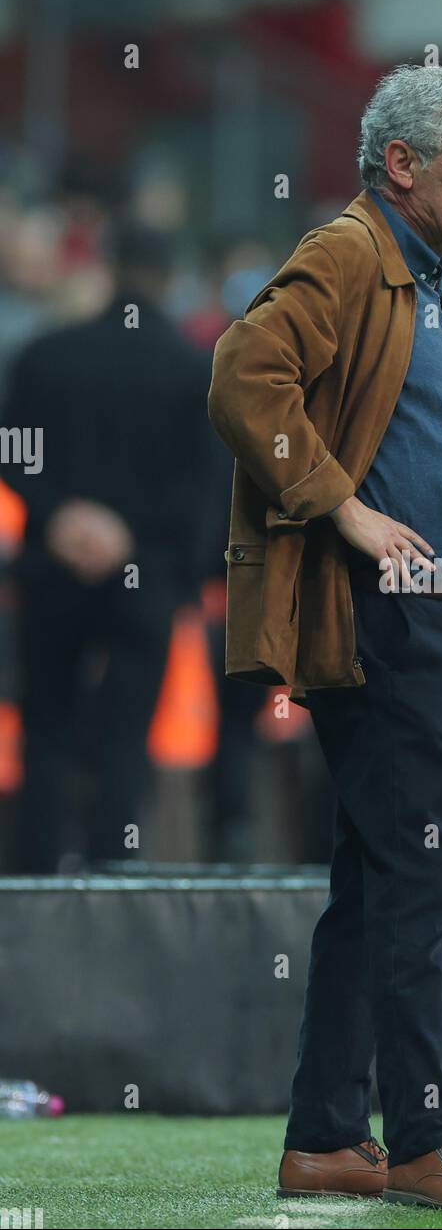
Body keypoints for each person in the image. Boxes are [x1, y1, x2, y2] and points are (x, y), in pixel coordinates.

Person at [208, 64, 442, 1209]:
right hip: (394, 622)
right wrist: (341, 503)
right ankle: (423, 1138)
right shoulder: (354, 251)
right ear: (401, 165)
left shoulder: (419, 270)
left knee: (375, 880)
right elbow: (243, 371)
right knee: (421, 882)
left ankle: (325, 1136)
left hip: (429, 617)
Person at [3, 220, 215, 873]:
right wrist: (136, 539)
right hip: (143, 578)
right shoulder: (193, 368)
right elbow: (206, 485)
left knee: (47, 731)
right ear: (167, 278)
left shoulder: (47, 354)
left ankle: (34, 882)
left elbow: (13, 451)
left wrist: (60, 515)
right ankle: (110, 879)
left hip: (52, 574)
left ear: (107, 269)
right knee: (126, 741)